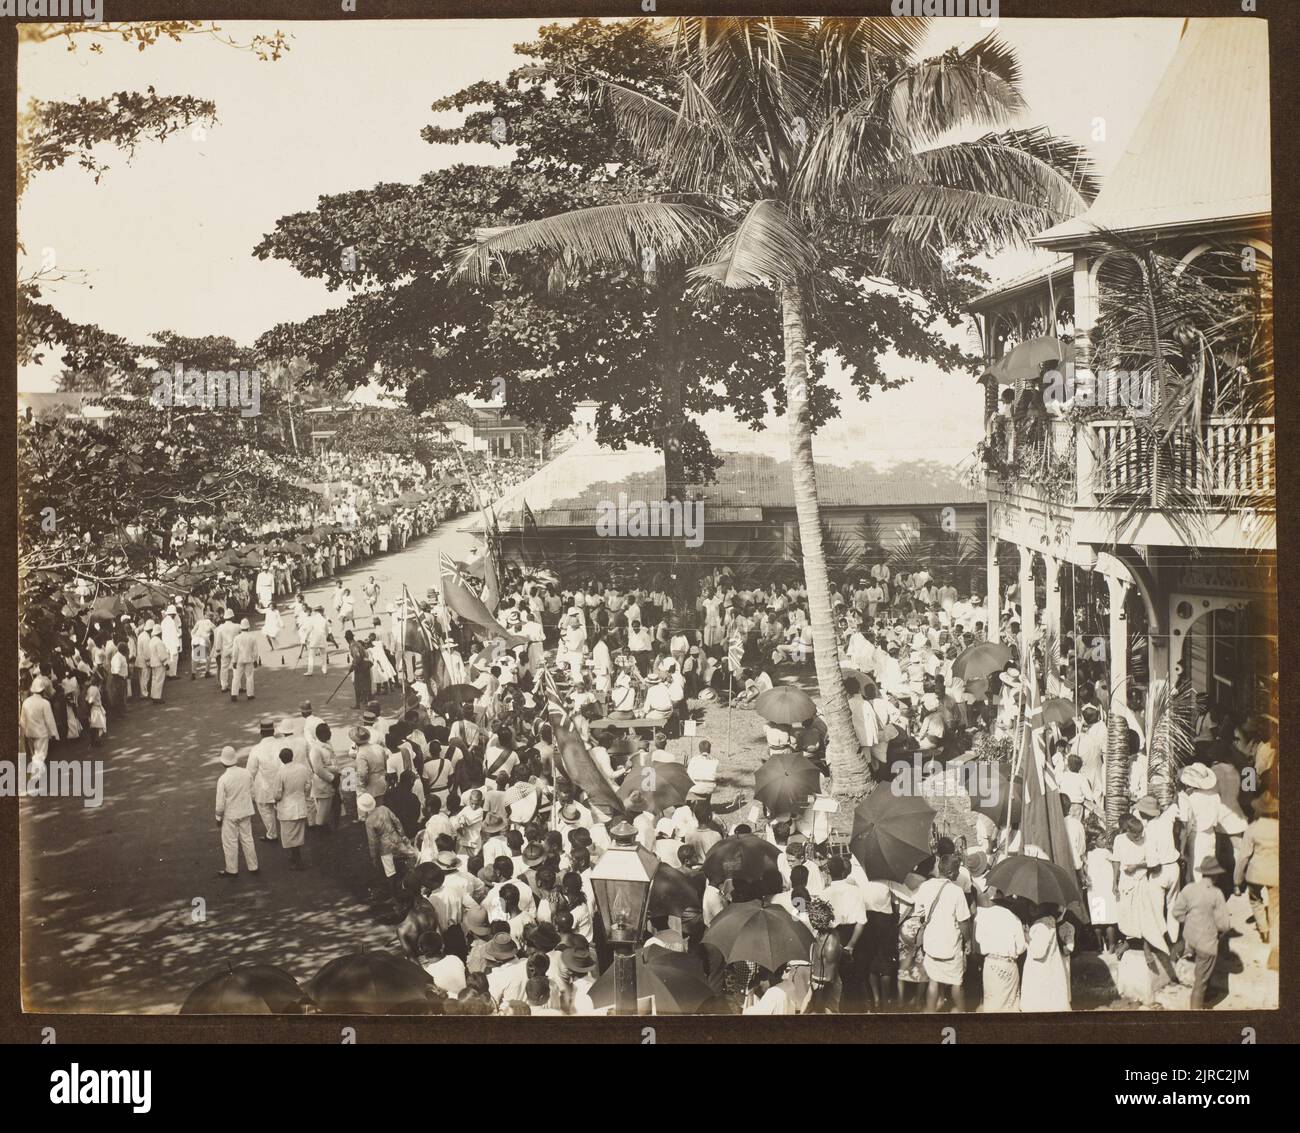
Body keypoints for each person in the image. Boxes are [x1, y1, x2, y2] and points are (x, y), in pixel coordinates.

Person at [913, 852, 972, 1011]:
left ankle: (931, 1013)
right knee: (956, 983)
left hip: (931, 944)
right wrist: (968, 941)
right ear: (951, 873)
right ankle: (961, 1012)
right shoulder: (957, 891)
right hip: (951, 946)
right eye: (958, 870)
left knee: (933, 981)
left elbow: (918, 913)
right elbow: (963, 922)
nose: (959, 873)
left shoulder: (925, 886)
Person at [1171, 857, 1231, 1009]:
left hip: (1190, 938)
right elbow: (1224, 925)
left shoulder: (1189, 889)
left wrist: (1190, 921)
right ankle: (1195, 1013)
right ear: (1215, 875)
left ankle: (1203, 999)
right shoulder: (1216, 894)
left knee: (1202, 971)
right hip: (1206, 944)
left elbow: (1177, 912)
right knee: (1200, 984)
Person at [1234, 793, 1279, 971]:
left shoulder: (1252, 828)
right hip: (1276, 874)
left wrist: (1237, 879)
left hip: (1256, 873)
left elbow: (1243, 857)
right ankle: (1275, 947)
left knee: (1255, 899)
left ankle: (1263, 929)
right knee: (1276, 910)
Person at [972, 888, 1025, 1011]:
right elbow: (1021, 948)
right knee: (1009, 1005)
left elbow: (977, 947)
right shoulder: (1014, 918)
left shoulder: (981, 917)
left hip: (990, 964)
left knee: (991, 1002)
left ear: (993, 901)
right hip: (1008, 964)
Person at [214, 746, 259, 879]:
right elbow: (252, 792)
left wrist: (218, 817)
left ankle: (232, 869)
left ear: (223, 762)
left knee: (230, 842)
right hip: (245, 811)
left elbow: (220, 802)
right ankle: (253, 866)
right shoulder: (246, 773)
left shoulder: (223, 779)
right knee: (247, 839)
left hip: (230, 814)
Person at [1022, 904, 1071, 1012]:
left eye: (1035, 906)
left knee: (1040, 1004)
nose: (1031, 908)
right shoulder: (1048, 922)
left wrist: (1026, 936)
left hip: (1039, 971)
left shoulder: (1042, 925)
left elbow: (1038, 952)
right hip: (1048, 968)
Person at [274, 748, 312, 870]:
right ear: (292, 756)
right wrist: (302, 794)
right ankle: (296, 857)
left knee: (289, 836)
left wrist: (276, 800)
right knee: (298, 834)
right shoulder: (302, 768)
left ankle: (297, 860)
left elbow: (277, 793)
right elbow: (308, 785)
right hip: (300, 805)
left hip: (287, 808)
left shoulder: (281, 772)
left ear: (281, 759)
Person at [20, 678, 59, 771]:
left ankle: (35, 772)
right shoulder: (45, 703)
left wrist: (24, 732)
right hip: (41, 733)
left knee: (34, 754)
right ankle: (35, 775)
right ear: (43, 690)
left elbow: (22, 719)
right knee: (40, 755)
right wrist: (54, 734)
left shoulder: (26, 702)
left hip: (29, 732)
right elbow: (49, 720)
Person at [229, 618, 259, 702]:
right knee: (249, 677)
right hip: (249, 659)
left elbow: (235, 651)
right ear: (248, 628)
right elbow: (255, 650)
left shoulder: (237, 638)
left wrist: (234, 661)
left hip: (239, 660)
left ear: (241, 628)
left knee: (236, 677)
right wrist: (255, 660)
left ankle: (234, 694)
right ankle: (250, 694)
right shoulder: (252, 637)